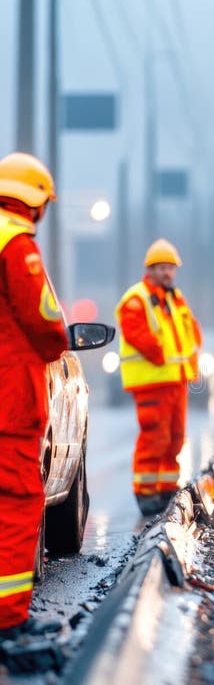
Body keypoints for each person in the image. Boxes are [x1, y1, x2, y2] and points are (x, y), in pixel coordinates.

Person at [0, 152, 69, 638]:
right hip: (10, 398)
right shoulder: (16, 243)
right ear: (37, 201)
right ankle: (9, 620)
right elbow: (46, 324)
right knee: (20, 499)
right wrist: (57, 342)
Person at [115, 239, 202, 516]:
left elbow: (191, 334)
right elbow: (136, 332)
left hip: (175, 380)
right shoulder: (136, 298)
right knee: (155, 437)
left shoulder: (174, 299)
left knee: (175, 437)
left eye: (170, 268)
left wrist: (189, 364)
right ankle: (145, 494)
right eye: (162, 267)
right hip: (152, 381)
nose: (167, 273)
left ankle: (166, 489)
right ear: (150, 269)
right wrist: (159, 355)